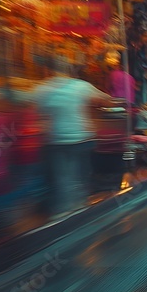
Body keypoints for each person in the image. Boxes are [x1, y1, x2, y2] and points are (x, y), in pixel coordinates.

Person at [30, 55, 116, 219]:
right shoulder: (80, 86)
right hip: (82, 139)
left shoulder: (43, 88)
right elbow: (107, 100)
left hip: (57, 140)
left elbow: (35, 112)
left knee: (61, 178)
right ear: (69, 70)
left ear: (48, 70)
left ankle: (63, 213)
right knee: (81, 176)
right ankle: (80, 208)